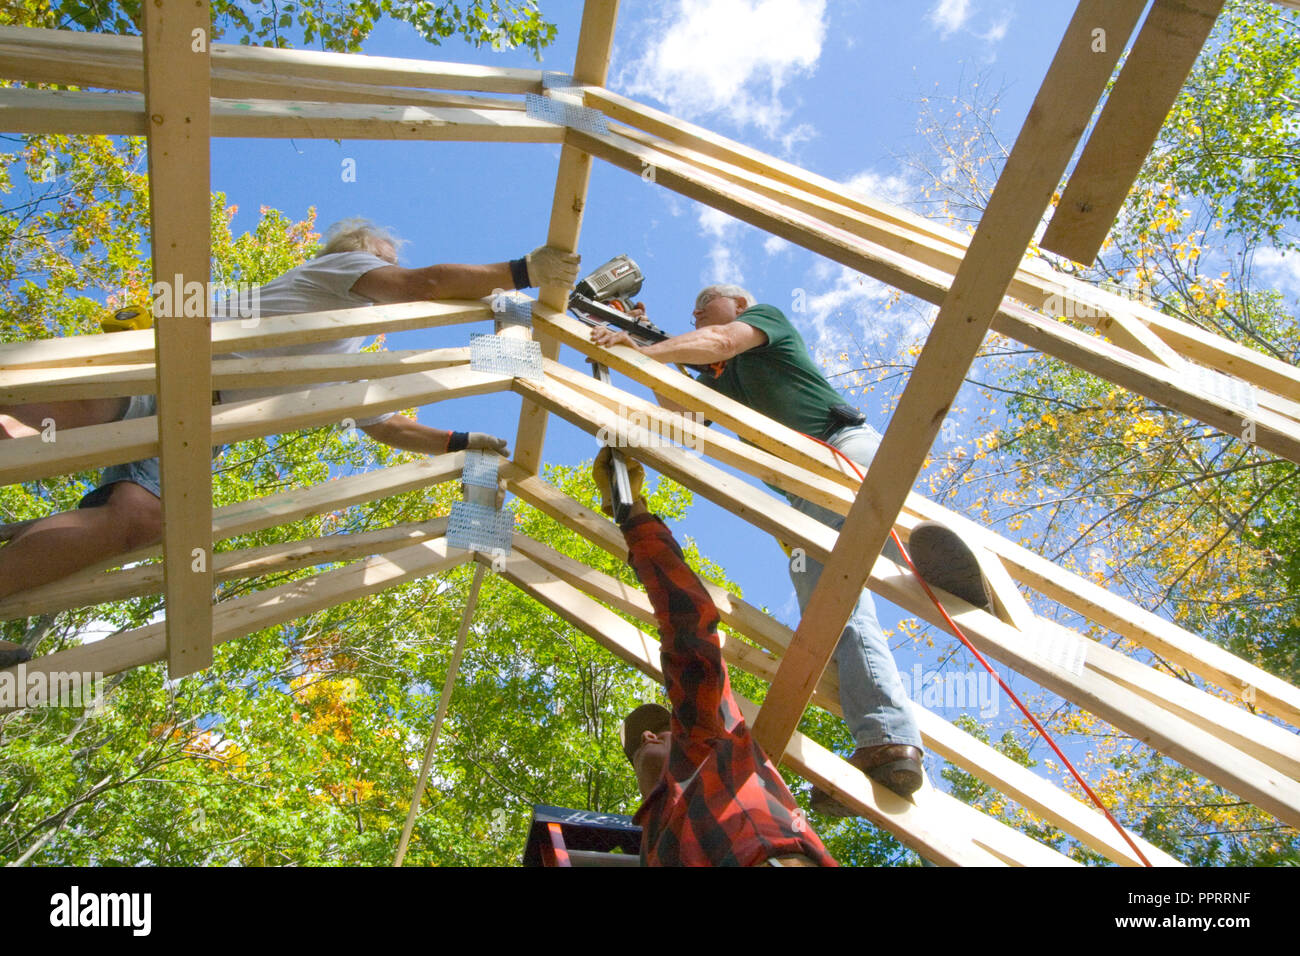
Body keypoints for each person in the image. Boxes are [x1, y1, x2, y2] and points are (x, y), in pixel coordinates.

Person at [0, 220, 580, 649]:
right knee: (25, 429)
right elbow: (421, 283)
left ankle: (18, 545)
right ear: (362, 252)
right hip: (170, 366)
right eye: (386, 253)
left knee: (140, 523)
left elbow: (382, 424)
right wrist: (523, 274)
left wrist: (461, 443)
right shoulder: (337, 271)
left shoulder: (342, 355)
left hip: (199, 429)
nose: (390, 264)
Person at [591, 284, 987, 813]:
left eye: (702, 302)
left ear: (738, 303)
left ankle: (945, 573)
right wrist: (644, 354)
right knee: (833, 616)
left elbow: (716, 340)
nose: (693, 310)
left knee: (876, 521)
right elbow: (683, 420)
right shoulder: (723, 382)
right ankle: (887, 744)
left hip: (840, 447)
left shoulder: (765, 319)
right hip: (802, 497)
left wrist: (644, 348)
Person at [596, 449, 837, 866]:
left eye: (657, 731)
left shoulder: (705, 738)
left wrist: (633, 515)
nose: (652, 736)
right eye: (644, 738)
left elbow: (689, 629)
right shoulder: (650, 847)